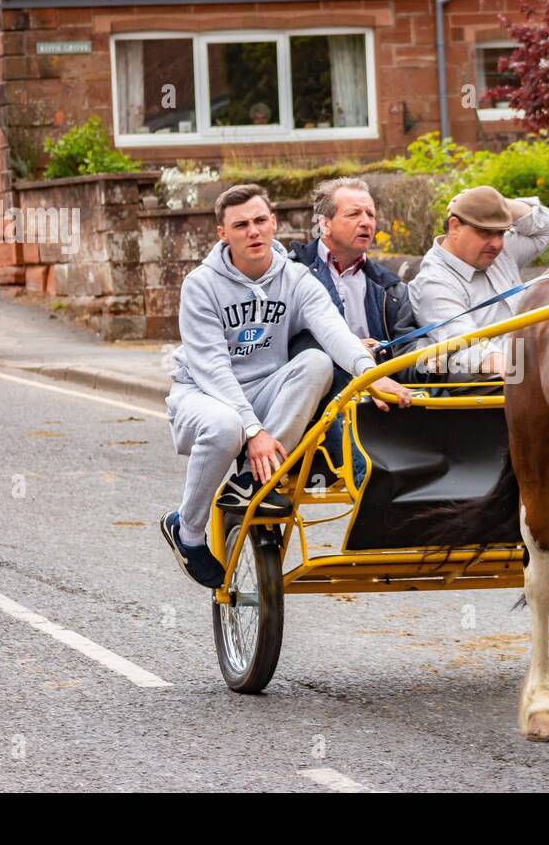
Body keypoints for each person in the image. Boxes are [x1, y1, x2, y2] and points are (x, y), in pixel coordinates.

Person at [161, 184, 411, 589]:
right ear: (223, 234)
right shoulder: (201, 285)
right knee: (227, 426)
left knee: (316, 362)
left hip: (267, 389)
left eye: (261, 221)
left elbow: (334, 331)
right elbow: (211, 368)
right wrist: (253, 431)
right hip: (202, 395)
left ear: (274, 223)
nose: (253, 232)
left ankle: (256, 482)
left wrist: (371, 376)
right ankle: (186, 531)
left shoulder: (293, 278)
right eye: (240, 225)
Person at [287, 177, 418, 465]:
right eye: (354, 214)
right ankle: (372, 482)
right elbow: (284, 343)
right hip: (321, 397)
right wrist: (351, 349)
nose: (366, 222)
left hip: (380, 395)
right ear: (325, 224)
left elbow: (406, 346)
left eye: (370, 214)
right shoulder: (292, 274)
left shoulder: (391, 287)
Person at [409, 186, 549, 376]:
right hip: (497, 389)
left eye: (501, 233)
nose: (496, 244)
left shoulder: (500, 252)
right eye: (485, 232)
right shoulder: (433, 283)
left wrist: (496, 203)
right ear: (455, 226)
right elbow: (468, 347)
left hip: (538, 372)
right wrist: (528, 375)